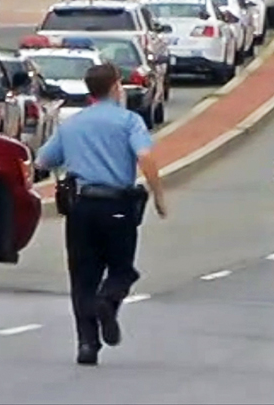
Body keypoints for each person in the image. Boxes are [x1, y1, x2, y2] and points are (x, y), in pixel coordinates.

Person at [34, 63, 168, 366]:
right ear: (115, 87)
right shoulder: (129, 121)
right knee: (122, 269)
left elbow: (43, 160)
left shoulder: (72, 124)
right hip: (117, 204)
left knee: (83, 277)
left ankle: (86, 343)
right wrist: (158, 196)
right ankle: (107, 302)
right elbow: (145, 156)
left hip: (81, 206)